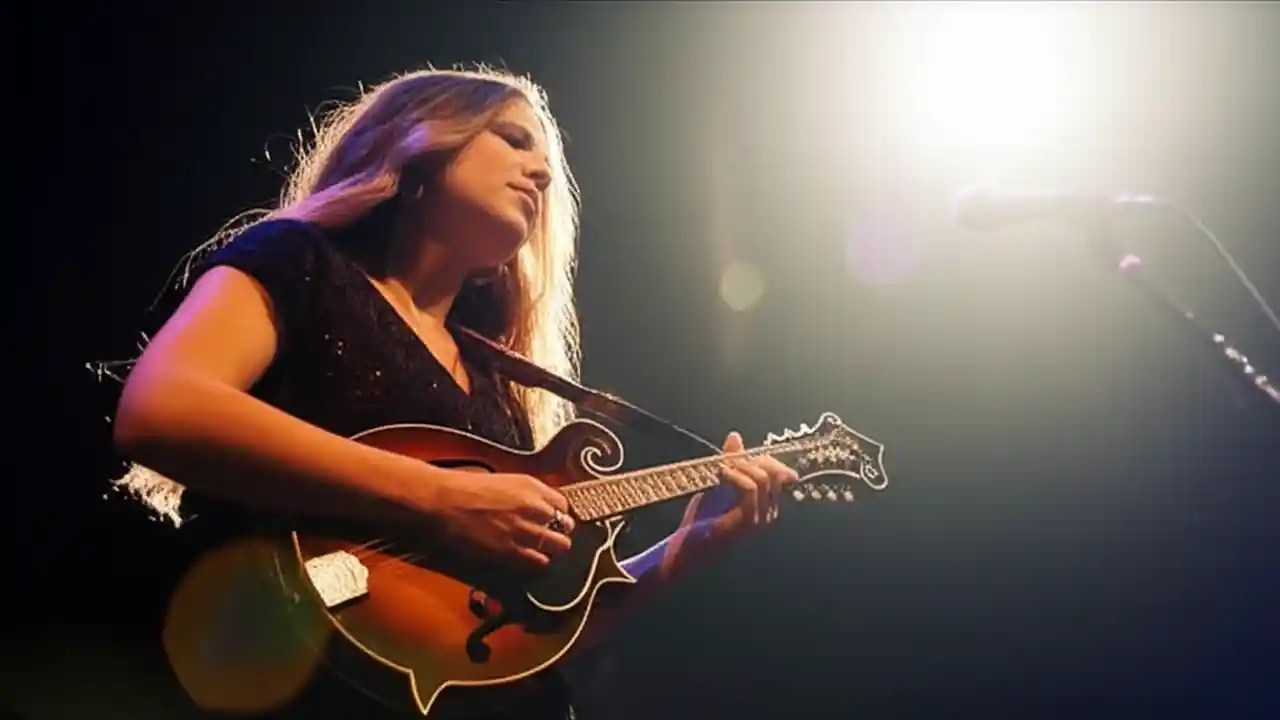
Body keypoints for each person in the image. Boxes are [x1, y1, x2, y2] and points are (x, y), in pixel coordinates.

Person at [111, 65, 799, 719]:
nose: (542, 173)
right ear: (417, 142)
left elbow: (510, 643)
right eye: (514, 138)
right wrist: (441, 500)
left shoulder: (497, 384)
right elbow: (160, 409)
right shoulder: (300, 263)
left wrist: (698, 543)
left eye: (547, 165)